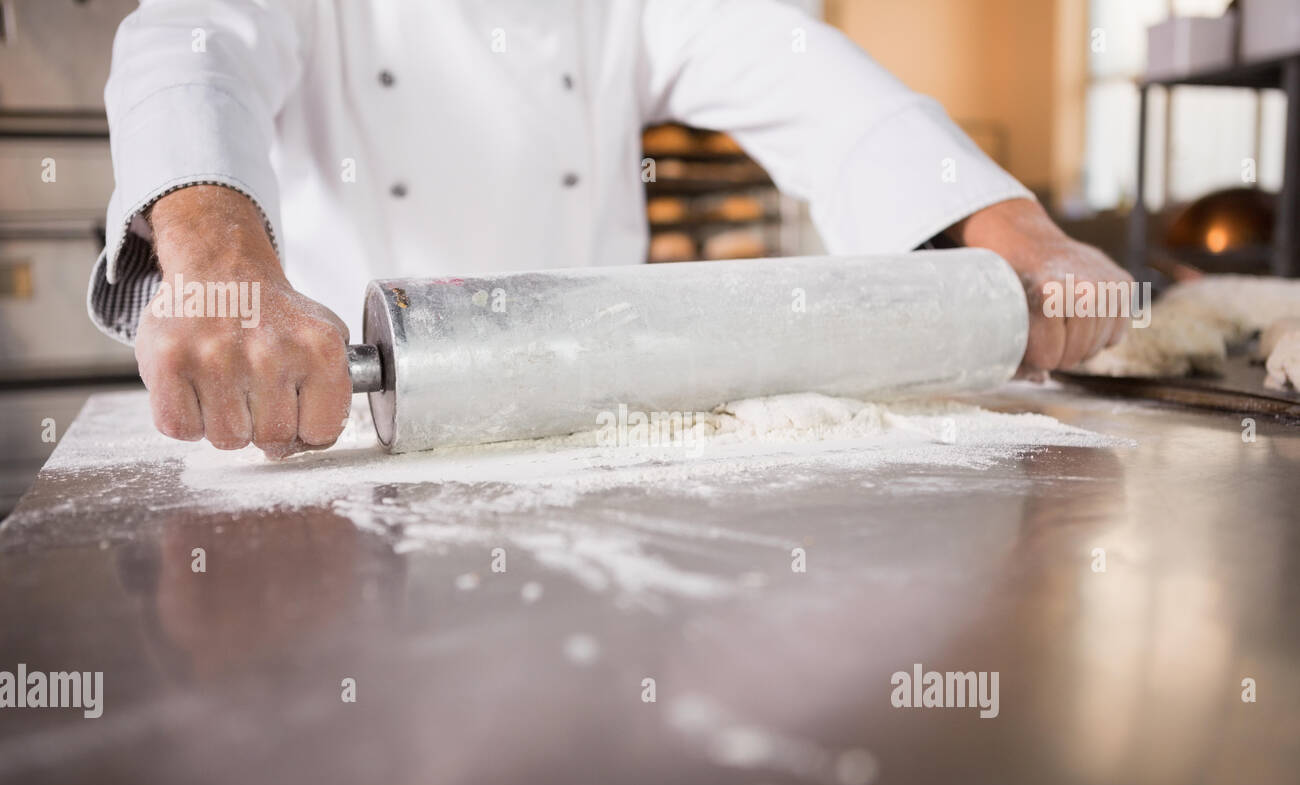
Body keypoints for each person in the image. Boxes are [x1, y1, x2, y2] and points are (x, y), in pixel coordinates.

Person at [91, 0, 1130, 459]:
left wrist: (1004, 221)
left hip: (594, 437)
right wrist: (221, 263)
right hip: (334, 430)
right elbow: (187, 42)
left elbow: (789, 60)